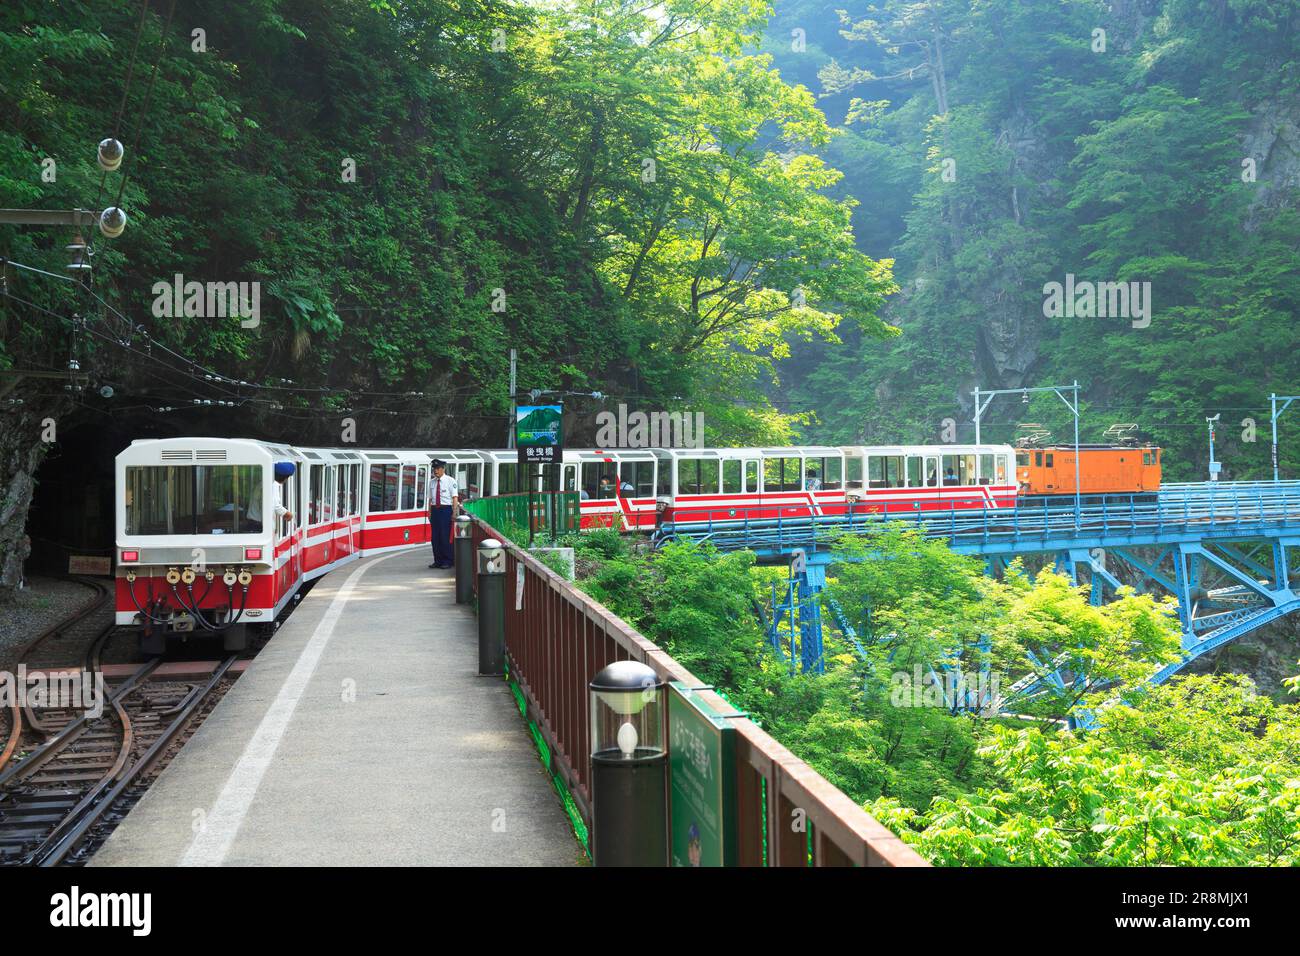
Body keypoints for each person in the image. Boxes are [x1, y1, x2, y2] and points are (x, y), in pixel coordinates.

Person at [428, 459, 459, 569]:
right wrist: (429, 512)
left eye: (437, 469)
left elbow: (455, 498)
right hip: (435, 510)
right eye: (434, 469)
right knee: (435, 537)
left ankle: (447, 560)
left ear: (443, 469)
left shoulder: (451, 481)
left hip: (446, 510)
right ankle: (438, 560)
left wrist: (454, 513)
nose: (435, 471)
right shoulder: (431, 482)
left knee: (445, 536)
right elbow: (430, 499)